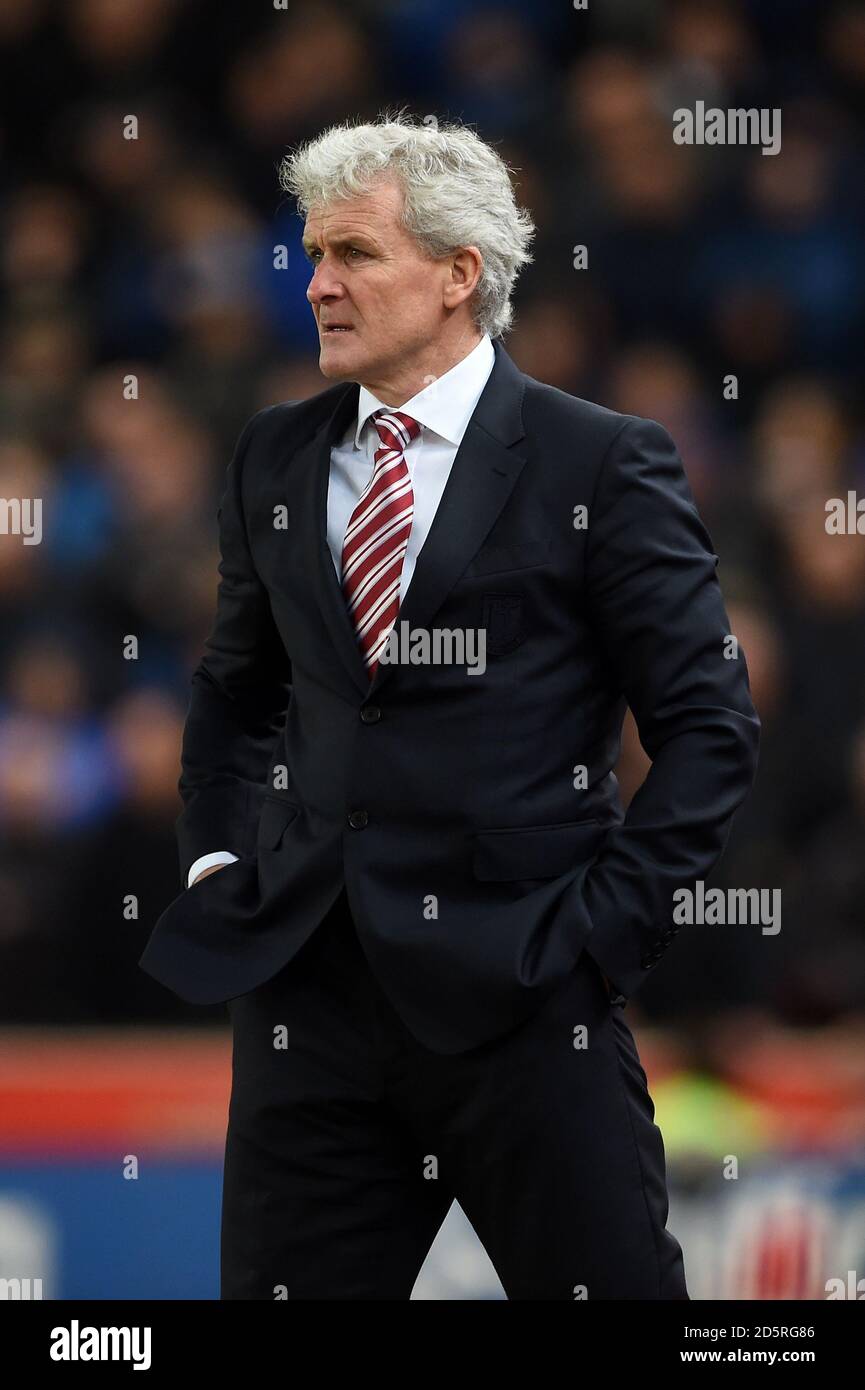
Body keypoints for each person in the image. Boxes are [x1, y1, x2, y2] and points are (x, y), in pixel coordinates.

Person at [140, 113, 760, 1300]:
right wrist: (221, 866)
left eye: (355, 255)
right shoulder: (273, 455)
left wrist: (601, 936)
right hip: (307, 1003)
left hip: (526, 1000)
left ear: (460, 273)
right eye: (314, 255)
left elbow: (708, 728)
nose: (318, 284)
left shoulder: (600, 460)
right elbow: (234, 695)